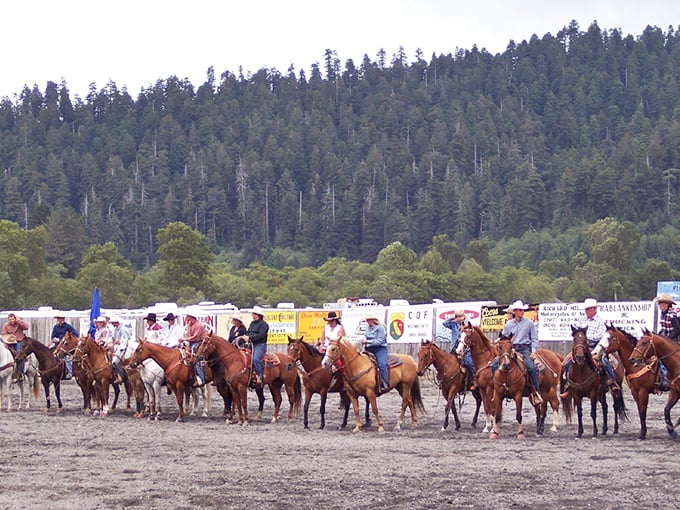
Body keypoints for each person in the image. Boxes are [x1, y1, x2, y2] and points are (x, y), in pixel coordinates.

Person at [561, 298, 619, 398]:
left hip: (596, 346)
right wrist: (580, 339)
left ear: (594, 309)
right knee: (566, 363)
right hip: (581, 347)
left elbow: (600, 335)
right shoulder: (581, 320)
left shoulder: (600, 321)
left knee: (604, 361)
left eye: (589, 309)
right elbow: (576, 332)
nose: (587, 311)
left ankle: (612, 382)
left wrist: (586, 338)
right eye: (586, 309)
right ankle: (568, 385)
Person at [495, 300, 543, 404]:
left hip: (525, 348)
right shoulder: (508, 324)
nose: (522, 312)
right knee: (494, 364)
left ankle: (536, 391)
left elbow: (534, 338)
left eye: (522, 310)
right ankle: (495, 389)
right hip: (510, 348)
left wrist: (533, 351)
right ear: (515, 311)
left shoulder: (529, 323)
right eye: (520, 310)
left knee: (531, 367)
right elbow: (504, 337)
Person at [236, 306, 269, 388]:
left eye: (253, 313)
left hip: (260, 345)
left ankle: (260, 375)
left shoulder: (263, 325)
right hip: (251, 344)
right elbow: (248, 332)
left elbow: (261, 335)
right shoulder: (252, 323)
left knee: (256, 359)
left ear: (257, 315)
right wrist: (245, 337)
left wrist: (250, 337)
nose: (252, 315)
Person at [443, 310, 475, 388]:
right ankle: (445, 381)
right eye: (457, 316)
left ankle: (474, 380)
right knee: (447, 364)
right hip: (454, 348)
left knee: (469, 363)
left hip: (466, 349)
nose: (459, 318)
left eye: (461, 316)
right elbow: (445, 323)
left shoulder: (468, 325)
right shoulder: (454, 324)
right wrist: (453, 318)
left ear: (464, 316)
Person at [179, 307, 208, 387]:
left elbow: (195, 337)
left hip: (200, 343)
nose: (186, 318)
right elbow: (189, 335)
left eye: (187, 316)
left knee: (195, 356)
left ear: (190, 317)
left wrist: (184, 339)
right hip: (192, 342)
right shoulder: (189, 325)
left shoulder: (199, 325)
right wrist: (185, 341)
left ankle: (201, 378)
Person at [362, 311, 389, 393]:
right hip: (369, 349)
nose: (367, 321)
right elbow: (365, 336)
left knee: (382, 364)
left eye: (368, 320)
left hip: (380, 349)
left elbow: (379, 341)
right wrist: (363, 340)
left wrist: (368, 342)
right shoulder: (368, 327)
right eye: (367, 320)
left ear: (373, 320)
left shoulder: (381, 328)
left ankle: (385, 383)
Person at [48, 314, 79, 379]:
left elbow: (76, 333)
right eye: (59, 318)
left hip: (65, 345)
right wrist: (54, 339)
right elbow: (53, 336)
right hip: (57, 344)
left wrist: (67, 337)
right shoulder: (56, 327)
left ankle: (70, 373)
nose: (60, 320)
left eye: (62, 318)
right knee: (48, 352)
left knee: (67, 357)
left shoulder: (67, 326)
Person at [2, 313, 29, 382]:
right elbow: (4, 334)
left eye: (13, 319)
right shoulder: (6, 325)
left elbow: (26, 327)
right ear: (8, 320)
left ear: (15, 318)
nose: (12, 321)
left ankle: (21, 372)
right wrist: (6, 341)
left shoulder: (19, 323)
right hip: (10, 342)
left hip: (19, 341)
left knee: (19, 355)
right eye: (10, 320)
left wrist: (18, 320)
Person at [109, 315, 130, 384]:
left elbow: (126, 340)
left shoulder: (123, 329)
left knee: (116, 359)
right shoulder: (116, 329)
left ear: (117, 322)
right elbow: (114, 338)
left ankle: (121, 375)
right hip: (117, 347)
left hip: (123, 347)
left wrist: (117, 342)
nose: (112, 324)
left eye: (113, 323)